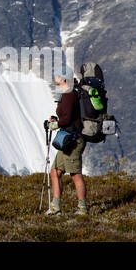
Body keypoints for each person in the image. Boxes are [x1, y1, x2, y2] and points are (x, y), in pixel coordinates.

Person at [46, 69, 88, 216]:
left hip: (74, 140)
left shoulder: (70, 95)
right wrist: (56, 120)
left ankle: (82, 208)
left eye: (57, 75)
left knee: (75, 174)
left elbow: (67, 119)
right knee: (55, 172)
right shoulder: (67, 94)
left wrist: (55, 125)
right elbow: (65, 117)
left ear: (63, 79)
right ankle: (55, 207)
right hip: (67, 139)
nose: (55, 77)